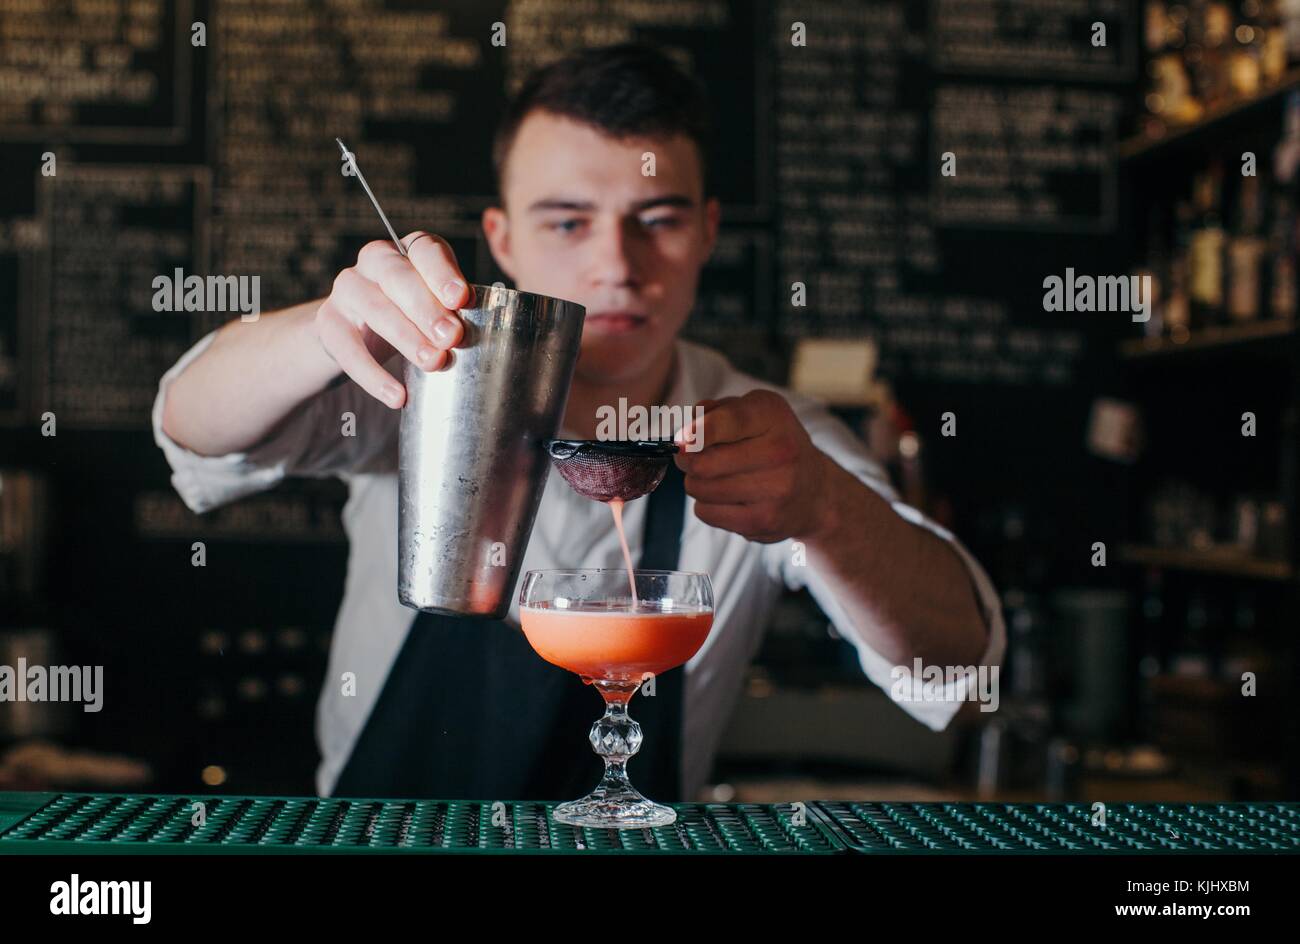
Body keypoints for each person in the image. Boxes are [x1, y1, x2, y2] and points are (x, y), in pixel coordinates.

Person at [153, 43, 1005, 802]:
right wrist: (321, 328)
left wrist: (824, 508)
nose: (615, 267)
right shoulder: (424, 375)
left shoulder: (771, 436)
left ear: (709, 232)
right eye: (567, 221)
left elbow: (961, 674)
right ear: (504, 239)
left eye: (659, 220)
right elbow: (191, 427)